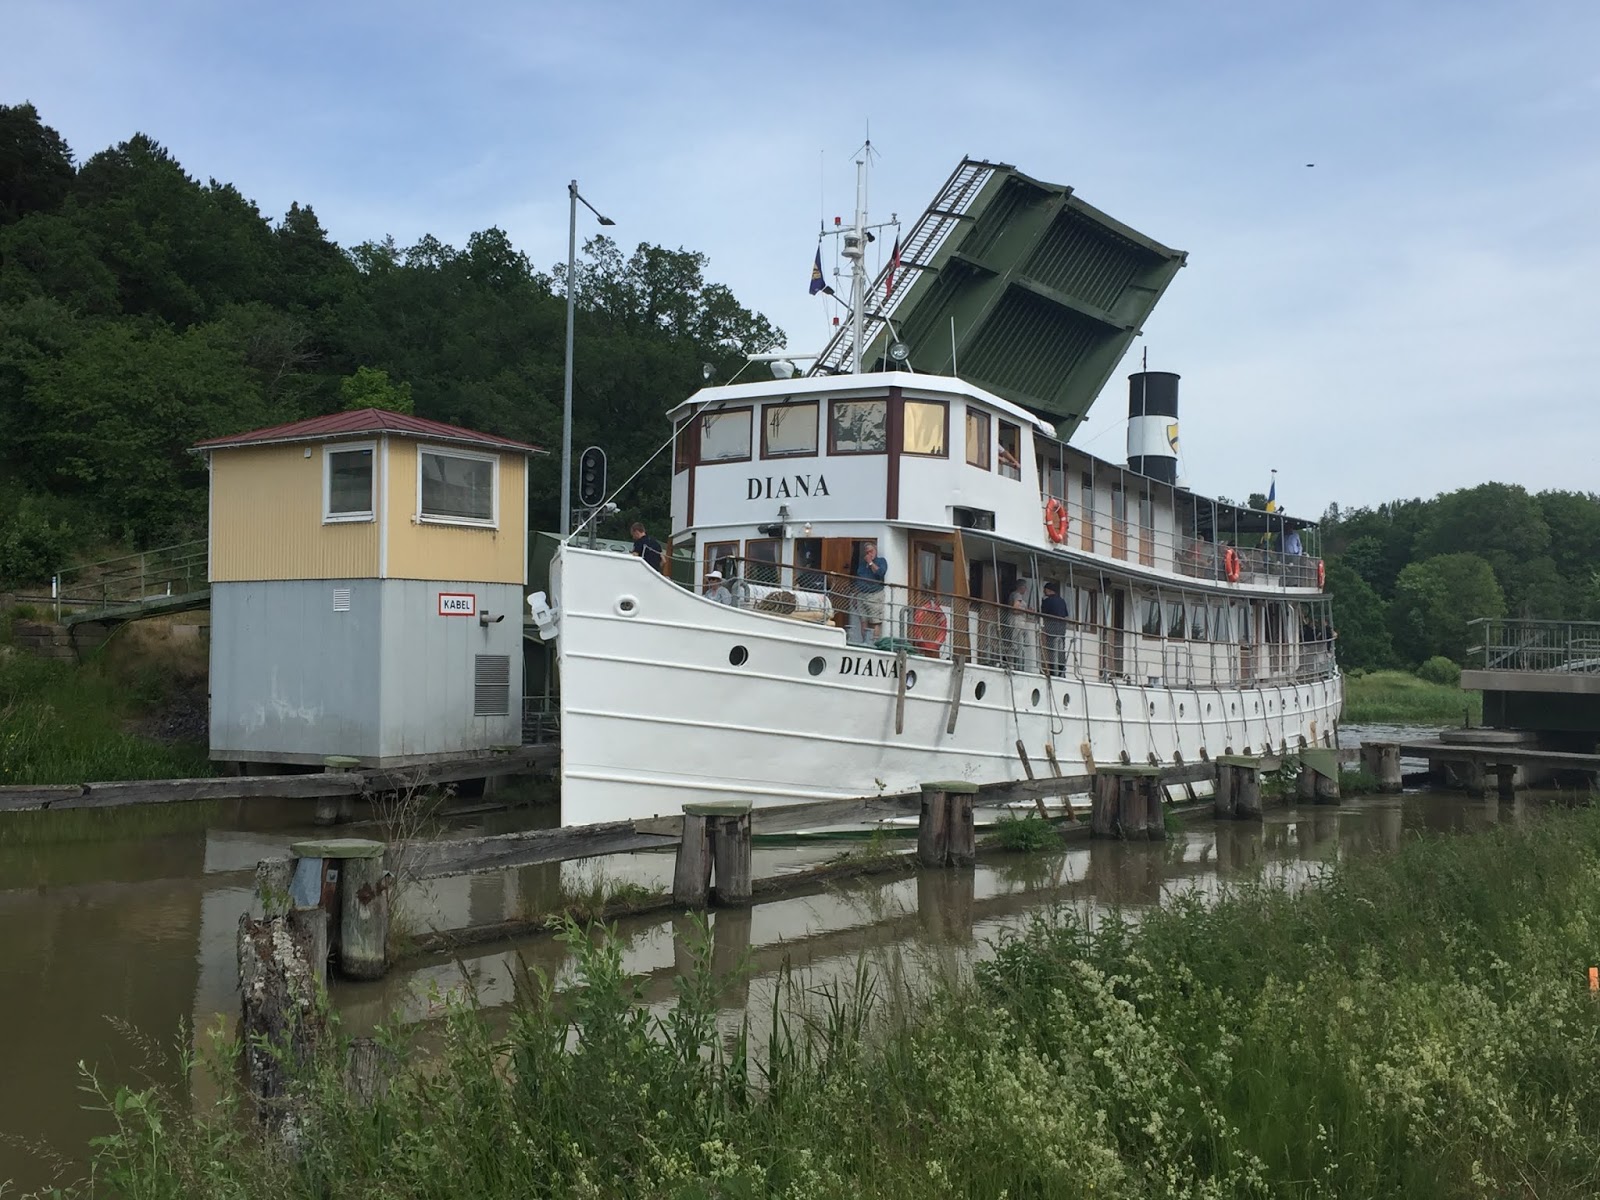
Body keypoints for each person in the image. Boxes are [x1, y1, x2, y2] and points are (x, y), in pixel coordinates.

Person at [854, 541, 887, 644]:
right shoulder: (862, 564)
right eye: (867, 552)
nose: (869, 554)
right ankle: (865, 642)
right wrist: (855, 595)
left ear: (875, 551)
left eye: (871, 551)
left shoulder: (881, 561)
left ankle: (874, 643)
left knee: (875, 621)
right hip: (861, 594)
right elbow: (858, 578)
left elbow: (880, 573)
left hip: (874, 594)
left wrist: (871, 563)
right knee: (863, 621)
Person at [1040, 581, 1070, 676]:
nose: (1044, 592)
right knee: (1061, 648)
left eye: (1045, 590)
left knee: (1051, 648)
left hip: (1051, 626)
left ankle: (1053, 669)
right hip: (1061, 627)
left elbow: (1043, 612)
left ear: (1048, 590)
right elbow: (1065, 614)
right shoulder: (1061, 600)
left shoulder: (1048, 601)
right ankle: (1061, 669)